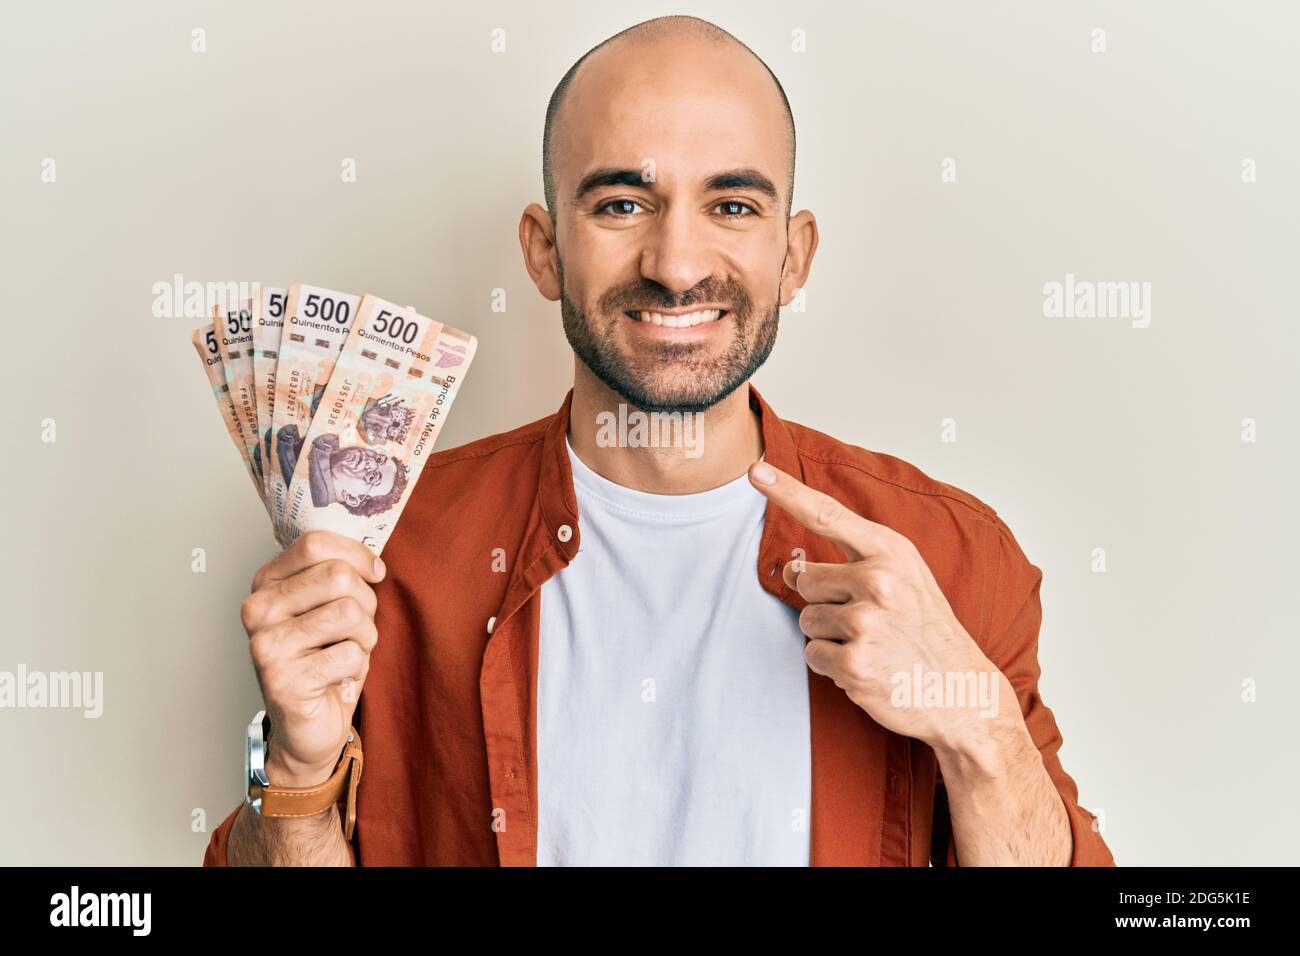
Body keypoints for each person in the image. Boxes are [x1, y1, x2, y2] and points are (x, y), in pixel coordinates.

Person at [206, 15, 1114, 867]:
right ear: (543, 249)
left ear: (794, 256)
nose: (677, 266)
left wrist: (979, 724)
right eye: (621, 204)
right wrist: (295, 770)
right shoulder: (387, 550)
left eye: (732, 207)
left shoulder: (950, 558)